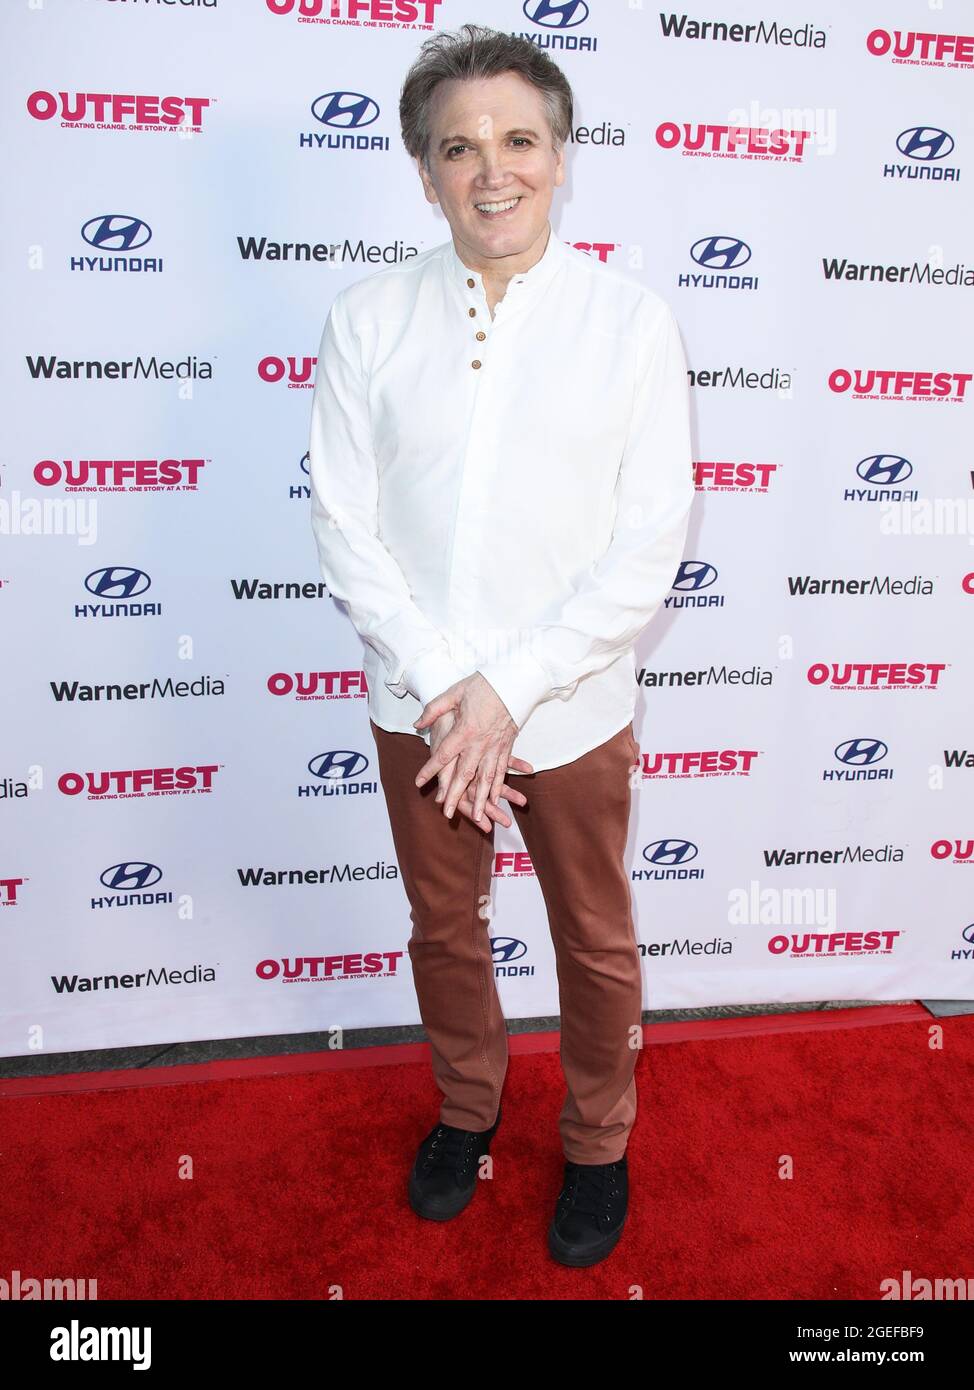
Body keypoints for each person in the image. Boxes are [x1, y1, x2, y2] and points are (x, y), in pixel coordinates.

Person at [308, 22, 695, 1268]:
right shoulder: (365, 317)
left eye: (517, 140)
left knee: (593, 934)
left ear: (559, 156)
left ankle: (595, 1137)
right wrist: (450, 690)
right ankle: (467, 1113)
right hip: (416, 709)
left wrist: (508, 691)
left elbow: (647, 540)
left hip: (570, 707)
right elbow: (342, 520)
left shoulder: (629, 324)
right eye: (458, 147)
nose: (492, 170)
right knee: (443, 926)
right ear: (423, 174)